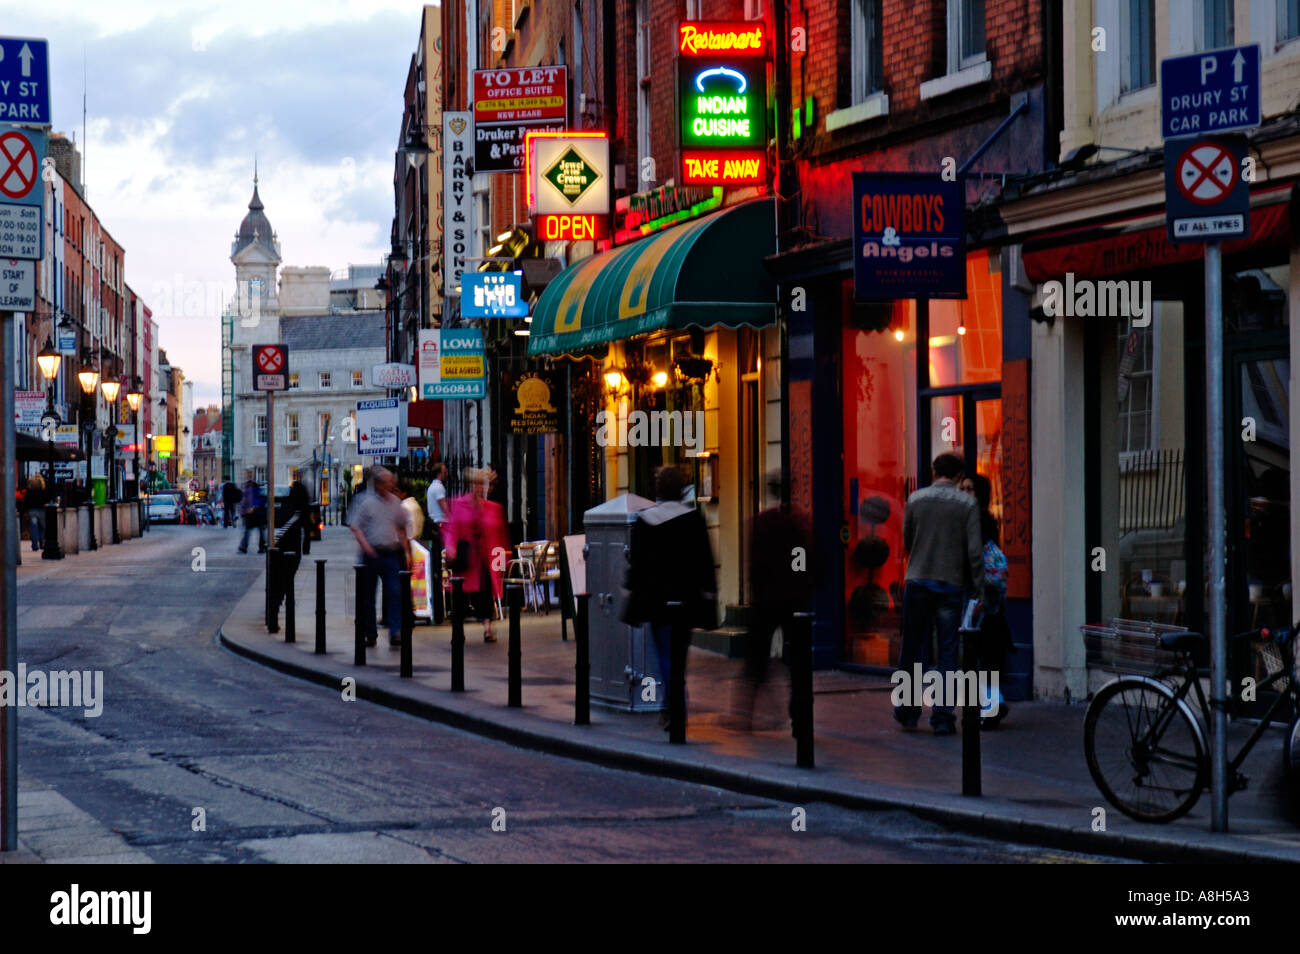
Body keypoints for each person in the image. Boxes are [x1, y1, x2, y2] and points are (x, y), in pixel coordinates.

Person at [622, 465, 717, 731]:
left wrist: (630, 589)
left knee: (663, 654)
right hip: (686, 602)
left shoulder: (645, 522)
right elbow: (705, 563)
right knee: (679, 657)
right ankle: (675, 705)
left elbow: (637, 564)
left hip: (657, 601)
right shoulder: (694, 520)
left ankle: (673, 707)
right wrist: (708, 594)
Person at [895, 452, 984, 735]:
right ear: (959, 476)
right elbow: (974, 552)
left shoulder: (916, 500)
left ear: (934, 472)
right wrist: (979, 589)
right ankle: (943, 717)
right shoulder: (967, 504)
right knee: (947, 652)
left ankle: (908, 711)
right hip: (950, 582)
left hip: (918, 579)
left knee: (912, 648)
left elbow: (908, 540)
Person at [732, 472, 813, 732]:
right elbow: (802, 562)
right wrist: (799, 584)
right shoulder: (798, 523)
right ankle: (800, 717)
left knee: (756, 658)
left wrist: (757, 590)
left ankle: (745, 714)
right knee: (799, 664)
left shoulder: (762, 523)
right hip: (793, 600)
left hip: (766, 600)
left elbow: (755, 565)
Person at [958, 473, 1013, 729]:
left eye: (969, 489)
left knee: (976, 652)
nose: (964, 493)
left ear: (980, 494)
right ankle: (993, 701)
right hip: (990, 598)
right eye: (962, 488)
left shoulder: (974, 520)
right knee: (987, 654)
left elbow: (972, 559)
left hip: (977, 596)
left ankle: (989, 705)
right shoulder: (986, 519)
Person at [444, 468, 509, 641]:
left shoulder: (493, 508)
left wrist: (501, 562)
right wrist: (450, 548)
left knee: (486, 595)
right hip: (466, 558)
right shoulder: (458, 504)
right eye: (477, 483)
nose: (480, 487)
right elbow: (452, 529)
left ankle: (488, 629)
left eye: (482, 483)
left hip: (485, 559)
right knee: (461, 597)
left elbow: (500, 535)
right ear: (469, 484)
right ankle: (458, 631)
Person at [349, 466, 409, 648]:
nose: (391, 485)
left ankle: (395, 631)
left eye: (392, 482)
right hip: (372, 554)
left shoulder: (396, 503)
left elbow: (402, 527)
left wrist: (406, 551)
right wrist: (366, 547)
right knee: (368, 596)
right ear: (378, 484)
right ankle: (370, 632)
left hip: (390, 553)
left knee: (394, 592)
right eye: (387, 482)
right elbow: (355, 527)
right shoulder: (367, 504)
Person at [238, 470, 266, 554]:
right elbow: (245, 501)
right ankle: (245, 547)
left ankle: (246, 547)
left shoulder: (253, 486)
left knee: (254, 530)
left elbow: (258, 498)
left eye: (247, 474)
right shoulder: (247, 487)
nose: (245, 475)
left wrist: (253, 507)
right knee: (251, 530)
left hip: (255, 513)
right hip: (251, 513)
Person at [24, 474, 46, 552]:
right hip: (41, 511)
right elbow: (45, 500)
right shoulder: (43, 491)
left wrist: (25, 511)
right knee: (42, 527)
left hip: (32, 511)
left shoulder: (29, 491)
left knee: (34, 528)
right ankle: (42, 542)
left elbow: (26, 502)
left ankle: (34, 545)